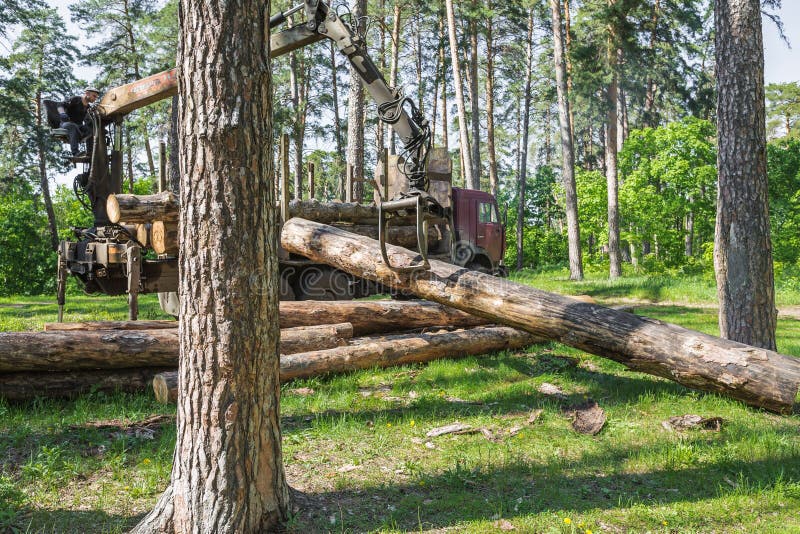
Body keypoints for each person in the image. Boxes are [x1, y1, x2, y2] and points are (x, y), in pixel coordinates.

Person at [57, 87, 101, 156]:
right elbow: (60, 105)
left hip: (79, 126)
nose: (95, 98)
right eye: (94, 96)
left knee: (91, 130)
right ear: (87, 93)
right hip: (66, 124)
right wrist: (62, 113)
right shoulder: (76, 99)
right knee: (73, 126)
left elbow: (89, 120)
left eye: (96, 97)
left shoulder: (88, 107)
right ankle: (75, 152)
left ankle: (90, 153)